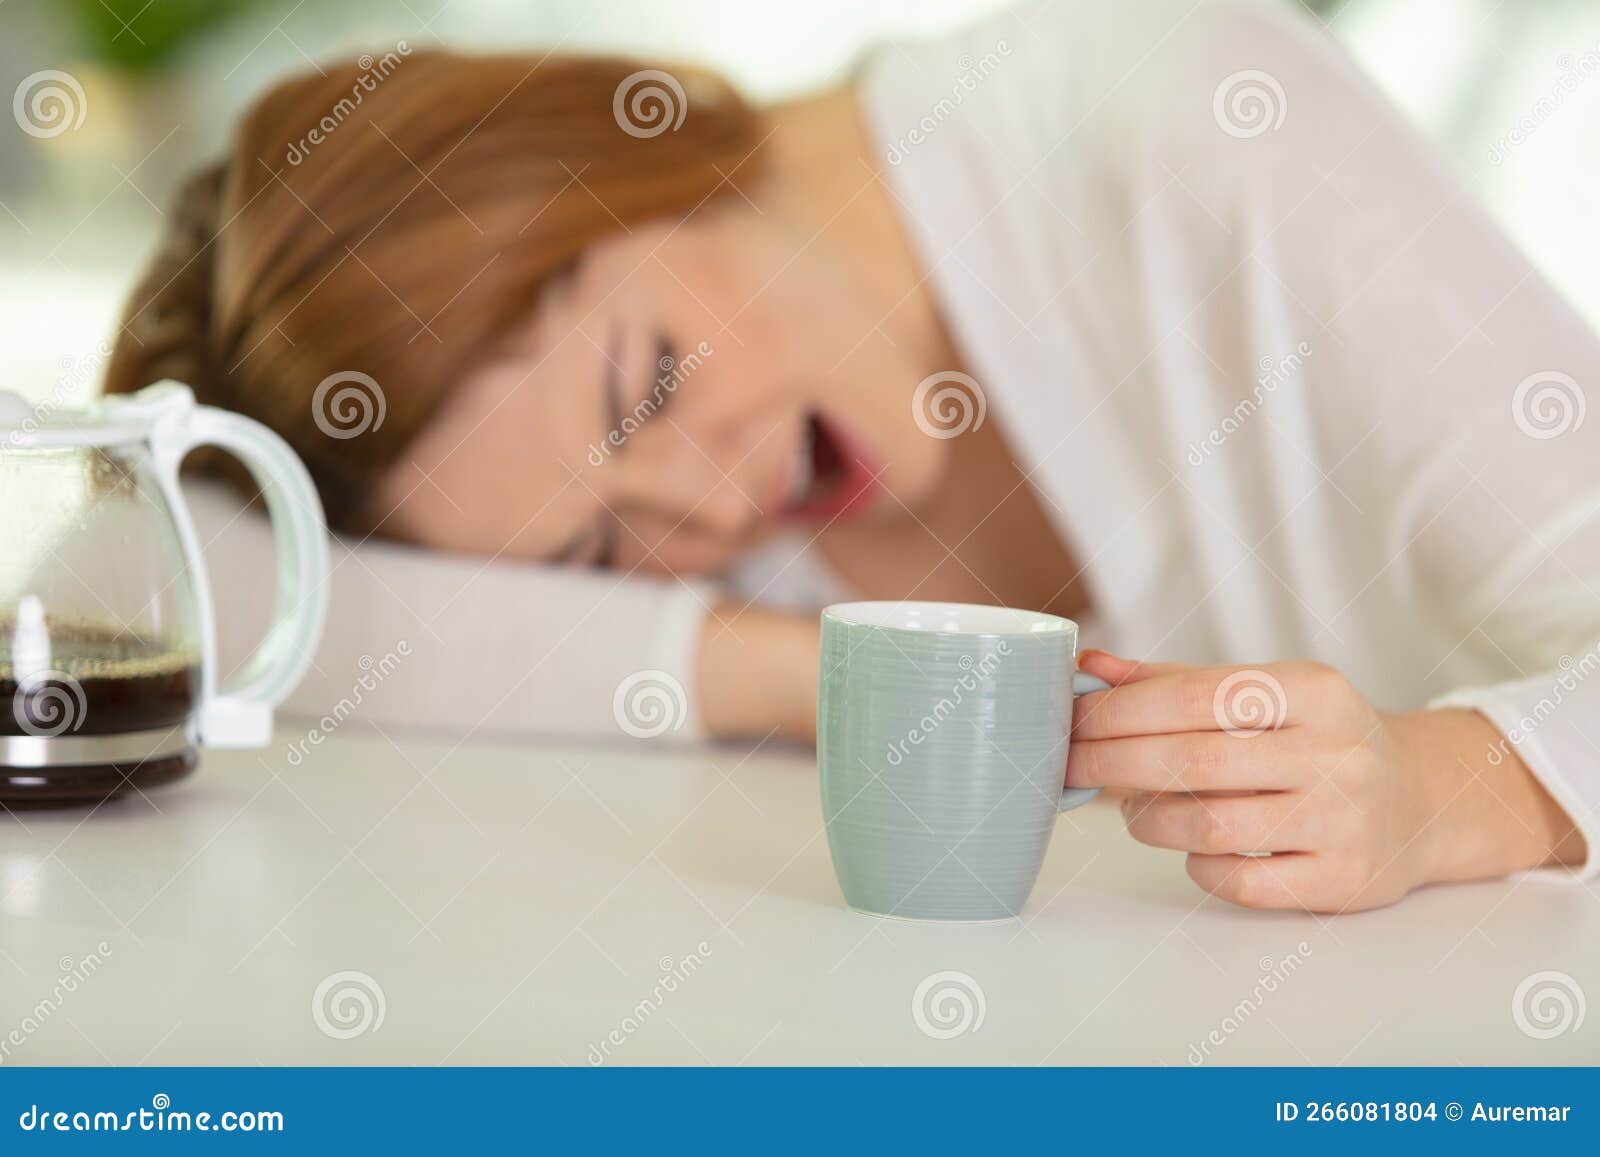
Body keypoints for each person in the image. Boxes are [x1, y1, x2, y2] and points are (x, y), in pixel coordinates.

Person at [104, 0, 1596, 911]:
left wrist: (1444, 785)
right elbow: (131, 571)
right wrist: (795, 663)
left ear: (648, 148)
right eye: (599, 557)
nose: (707, 503)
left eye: (648, 388)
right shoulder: (734, 471)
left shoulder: (1180, 110)